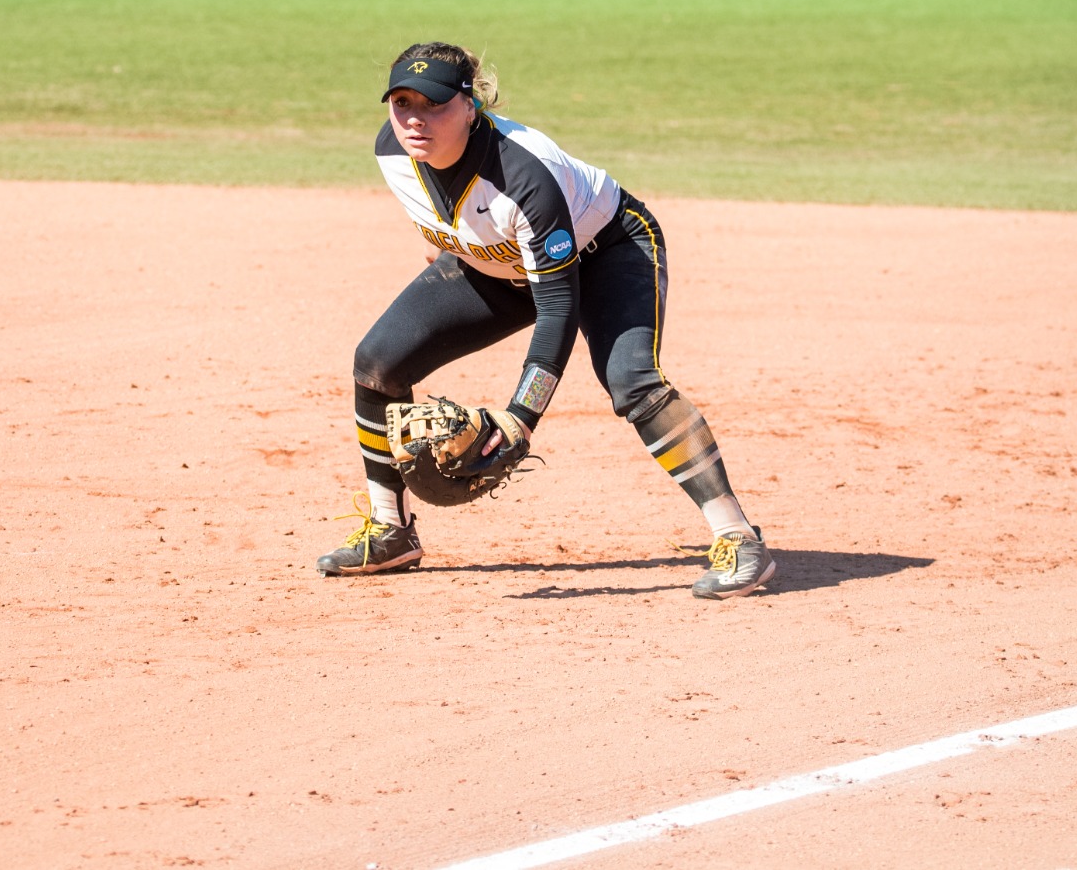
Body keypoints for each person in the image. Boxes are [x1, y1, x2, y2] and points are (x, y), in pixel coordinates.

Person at [314, 43, 777, 600]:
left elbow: (557, 306)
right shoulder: (392, 152)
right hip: (501, 264)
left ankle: (738, 537)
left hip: (606, 251)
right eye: (401, 102)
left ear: (470, 105)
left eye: (433, 105)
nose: (414, 118)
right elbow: (447, 218)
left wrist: (520, 418)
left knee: (632, 381)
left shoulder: (525, 176)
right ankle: (390, 531)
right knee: (377, 363)